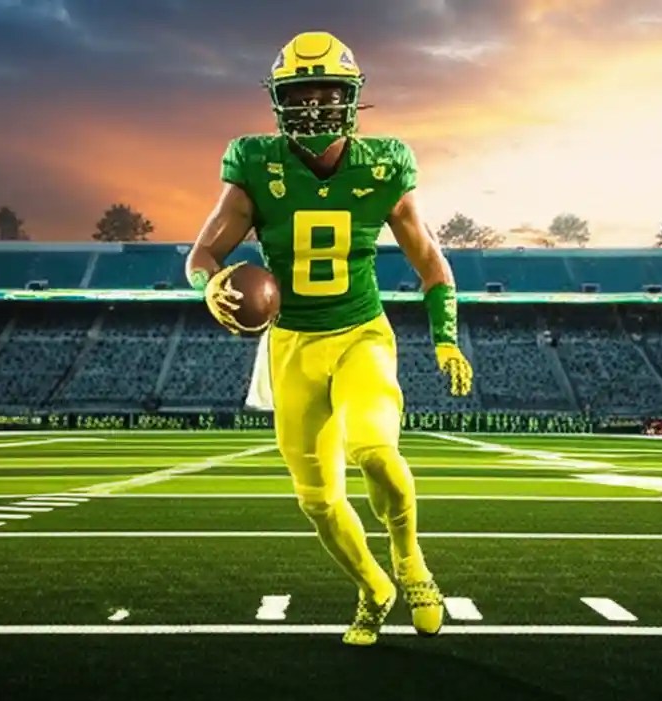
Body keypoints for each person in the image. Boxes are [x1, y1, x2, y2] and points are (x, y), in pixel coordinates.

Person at [184, 30, 473, 646]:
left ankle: (410, 558)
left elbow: (432, 265)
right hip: (291, 347)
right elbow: (202, 252)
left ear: (351, 98)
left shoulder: (384, 164)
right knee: (317, 501)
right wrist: (210, 286)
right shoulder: (256, 164)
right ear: (279, 99)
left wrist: (445, 339)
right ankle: (373, 589)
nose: (314, 105)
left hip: (359, 334)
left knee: (375, 448)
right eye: (301, 92)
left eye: (326, 91)